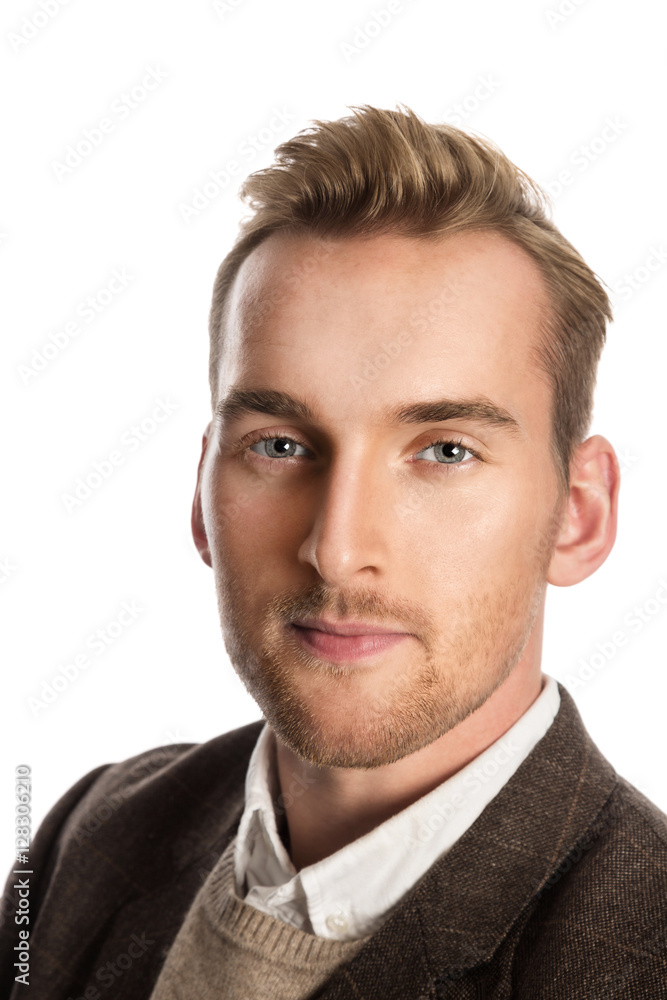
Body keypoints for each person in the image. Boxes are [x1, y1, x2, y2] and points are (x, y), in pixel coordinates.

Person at [2, 103, 666, 999]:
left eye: (444, 451)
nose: (337, 548)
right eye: (279, 445)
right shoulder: (87, 838)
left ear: (577, 517)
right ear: (202, 496)